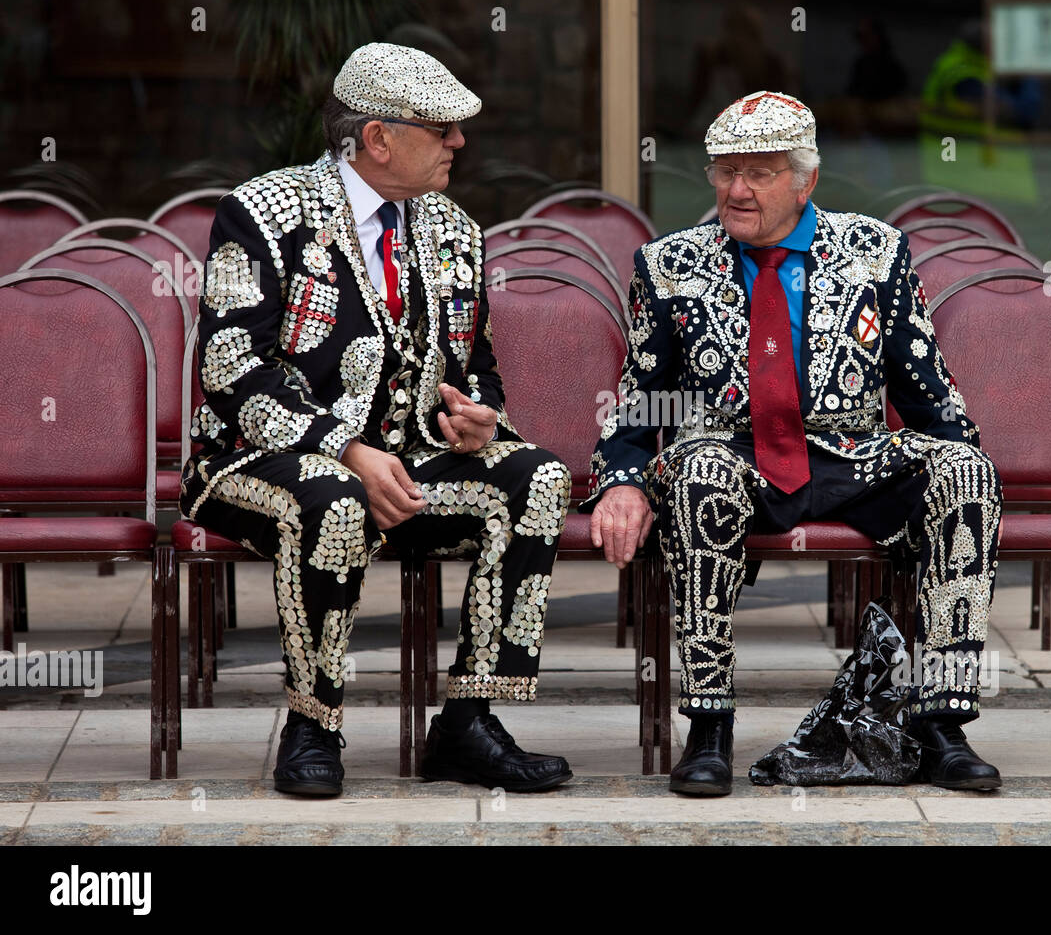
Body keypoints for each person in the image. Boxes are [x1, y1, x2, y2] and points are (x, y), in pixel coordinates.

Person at [181, 42, 573, 797]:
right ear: (377, 137)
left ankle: (469, 723)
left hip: (408, 458)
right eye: (442, 127)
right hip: (250, 457)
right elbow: (231, 369)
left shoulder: (457, 227)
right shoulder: (261, 212)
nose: (460, 142)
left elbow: (478, 365)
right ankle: (312, 723)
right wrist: (347, 450)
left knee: (538, 479)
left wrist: (478, 417)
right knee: (331, 497)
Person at [587, 90, 1004, 796]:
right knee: (698, 475)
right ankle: (709, 726)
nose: (734, 189)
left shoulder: (877, 252)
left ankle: (941, 723)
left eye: (757, 173)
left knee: (964, 472)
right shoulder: (668, 265)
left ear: (805, 179)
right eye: (723, 172)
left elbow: (926, 391)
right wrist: (622, 480)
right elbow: (638, 406)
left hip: (851, 454)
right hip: (733, 454)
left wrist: (963, 473)